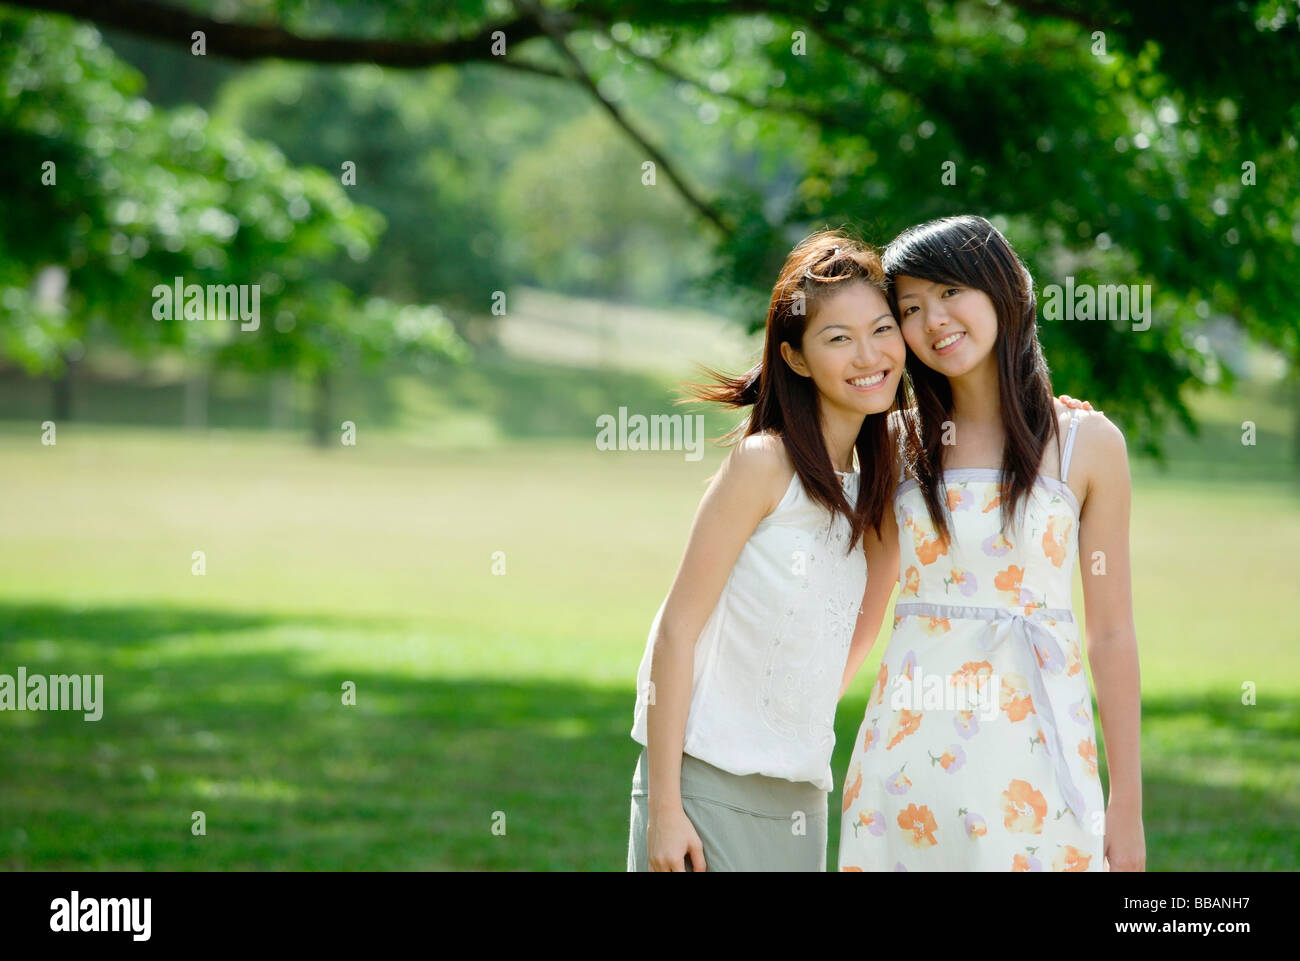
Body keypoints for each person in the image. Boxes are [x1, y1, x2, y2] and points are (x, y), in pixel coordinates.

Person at [838, 215, 1144, 871]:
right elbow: (867, 600)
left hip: (1039, 762)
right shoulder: (894, 442)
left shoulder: (1087, 444)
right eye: (910, 308)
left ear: (1005, 289)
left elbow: (1112, 632)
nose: (934, 320)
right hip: (907, 765)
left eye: (951, 291)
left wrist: (1127, 803)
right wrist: (798, 726)